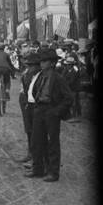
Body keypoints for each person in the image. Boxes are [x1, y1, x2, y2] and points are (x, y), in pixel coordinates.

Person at [25, 51, 72, 181]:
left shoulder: (58, 78)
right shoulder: (40, 76)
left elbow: (68, 98)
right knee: (36, 141)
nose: (41, 63)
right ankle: (38, 168)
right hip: (39, 109)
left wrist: (57, 111)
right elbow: (34, 91)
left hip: (51, 110)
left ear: (51, 63)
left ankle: (53, 172)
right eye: (41, 61)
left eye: (44, 61)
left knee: (52, 143)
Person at [16, 51, 42, 164]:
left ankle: (37, 157)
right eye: (27, 63)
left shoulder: (40, 75)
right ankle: (31, 153)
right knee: (28, 128)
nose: (28, 65)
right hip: (25, 101)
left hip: (34, 103)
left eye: (31, 64)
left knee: (37, 130)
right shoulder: (26, 73)